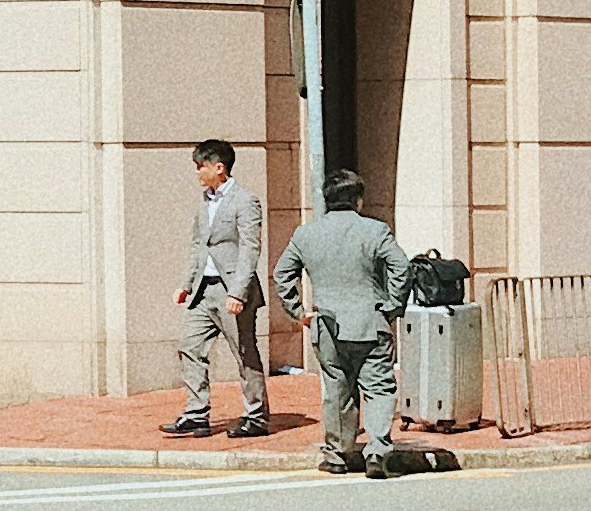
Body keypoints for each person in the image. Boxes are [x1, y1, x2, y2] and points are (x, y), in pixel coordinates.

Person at [273, 167, 413, 476]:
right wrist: (392, 306)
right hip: (370, 321)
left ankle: (336, 454)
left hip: (326, 324)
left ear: (325, 200)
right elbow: (402, 268)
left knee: (337, 390)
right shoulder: (376, 231)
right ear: (358, 201)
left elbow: (282, 274)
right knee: (378, 387)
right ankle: (376, 449)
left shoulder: (305, 234)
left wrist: (299, 312)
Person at [165, 135, 271, 440]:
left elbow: (250, 248)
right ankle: (196, 413)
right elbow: (198, 245)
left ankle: (256, 416)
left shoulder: (245, 201)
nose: (198, 172)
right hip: (202, 290)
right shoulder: (204, 203)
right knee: (189, 346)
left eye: (201, 166)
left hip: (230, 291)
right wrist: (185, 284)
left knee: (244, 354)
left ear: (219, 167)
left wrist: (238, 291)